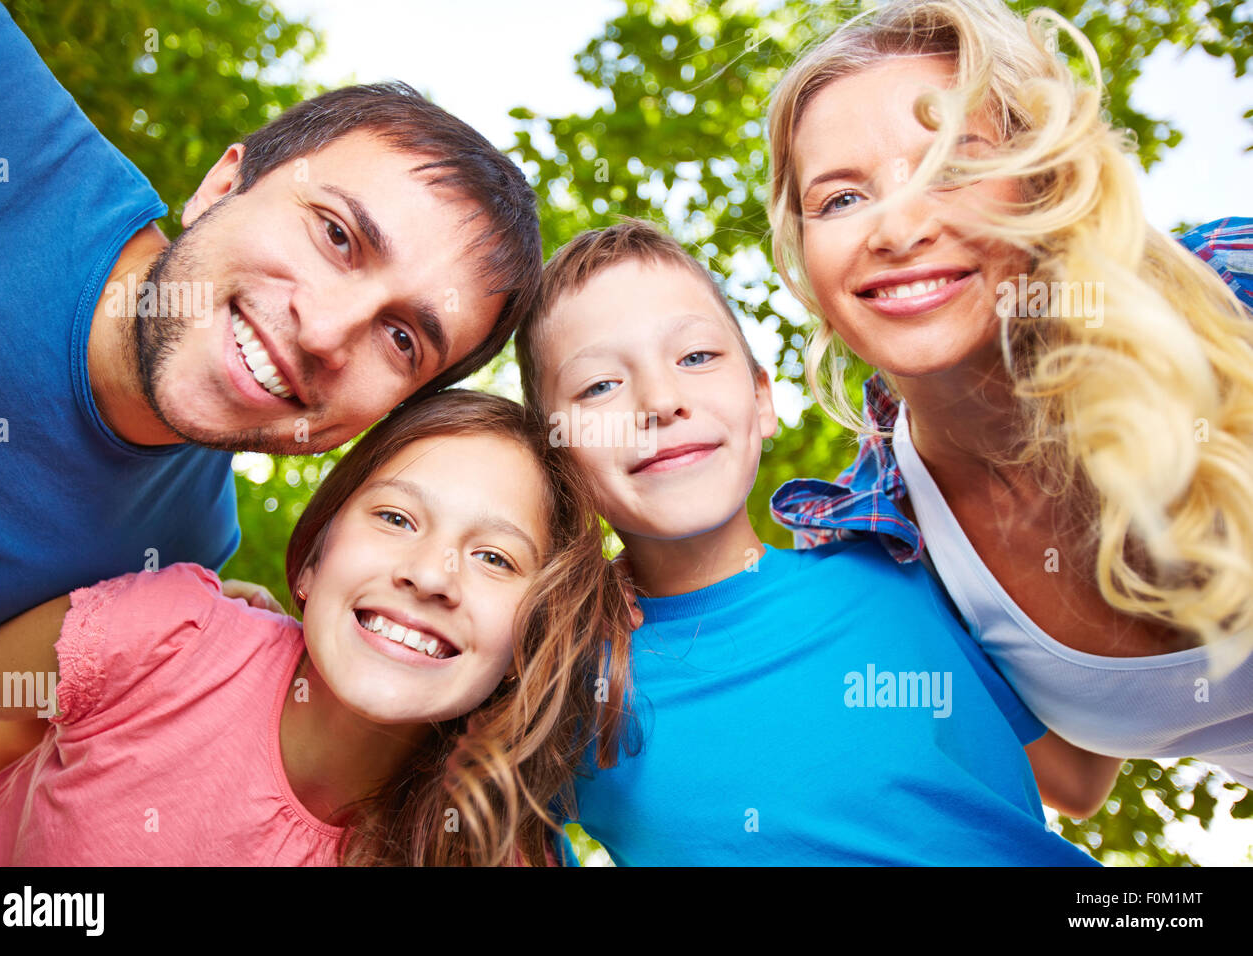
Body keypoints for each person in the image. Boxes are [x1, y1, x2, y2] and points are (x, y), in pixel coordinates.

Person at [0, 0, 539, 792]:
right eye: (336, 235)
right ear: (222, 185)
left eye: (402, 339)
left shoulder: (178, 551)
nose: (327, 332)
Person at [765, 0, 1253, 817]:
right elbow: (1074, 779)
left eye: (950, 165)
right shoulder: (883, 545)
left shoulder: (1232, 297)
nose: (898, 225)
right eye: (842, 199)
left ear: (1046, 180)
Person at [515, 219, 1096, 865]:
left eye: (697, 357)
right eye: (599, 386)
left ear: (763, 400)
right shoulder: (558, 685)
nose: (661, 400)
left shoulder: (904, 561)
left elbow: (1078, 778)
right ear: (554, 455)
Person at [0, 390, 633, 866]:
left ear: (529, 642)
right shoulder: (169, 635)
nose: (431, 575)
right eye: (395, 518)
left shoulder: (489, 849)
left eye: (494, 558)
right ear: (312, 561)